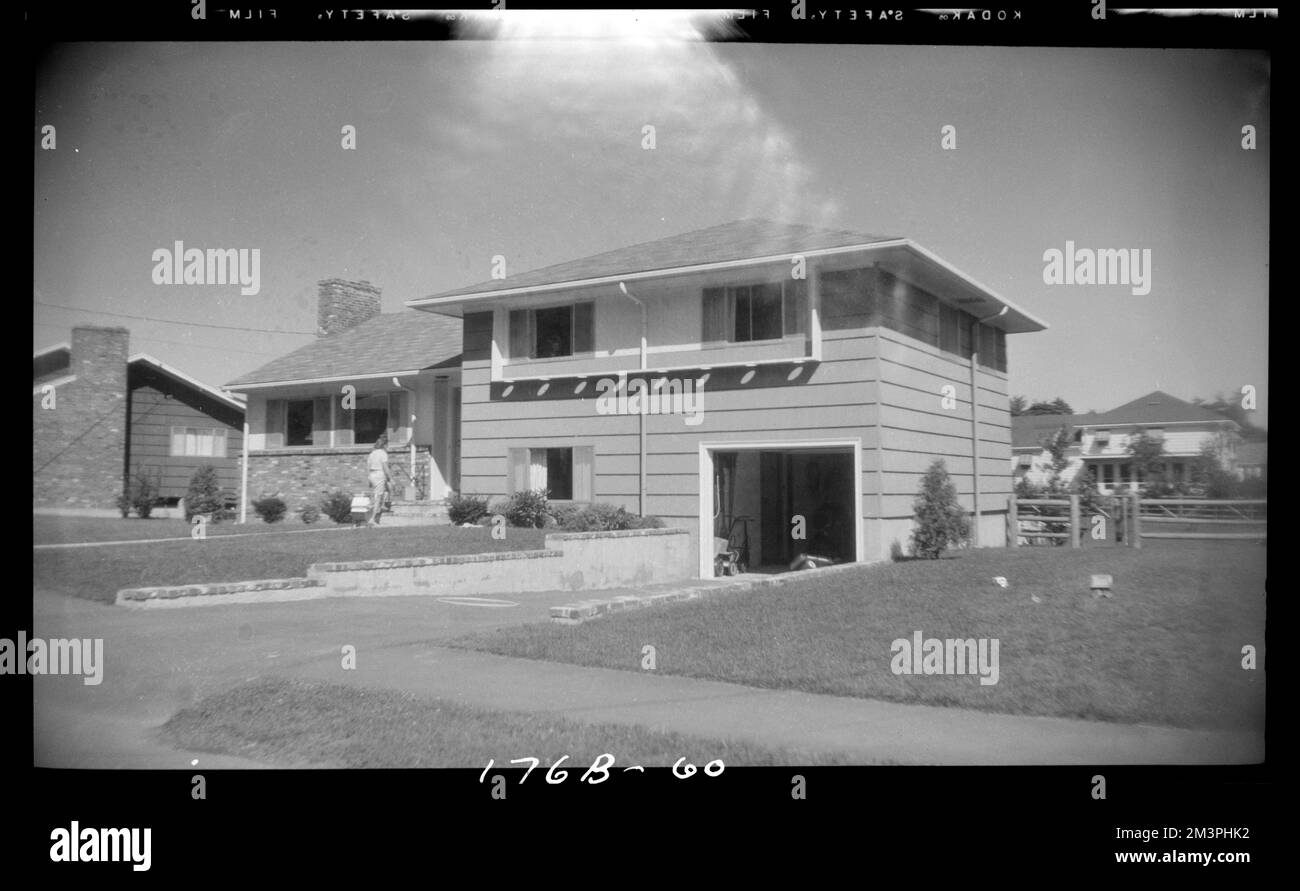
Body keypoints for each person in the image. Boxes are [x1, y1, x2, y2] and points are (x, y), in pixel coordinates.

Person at [366, 434, 393, 526]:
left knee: (387, 488)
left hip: (372, 475)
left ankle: (384, 505)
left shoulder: (372, 454)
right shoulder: (383, 453)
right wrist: (391, 478)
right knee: (378, 497)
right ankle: (372, 519)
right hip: (379, 474)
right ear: (384, 445)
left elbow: (368, 467)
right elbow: (385, 467)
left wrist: (369, 479)